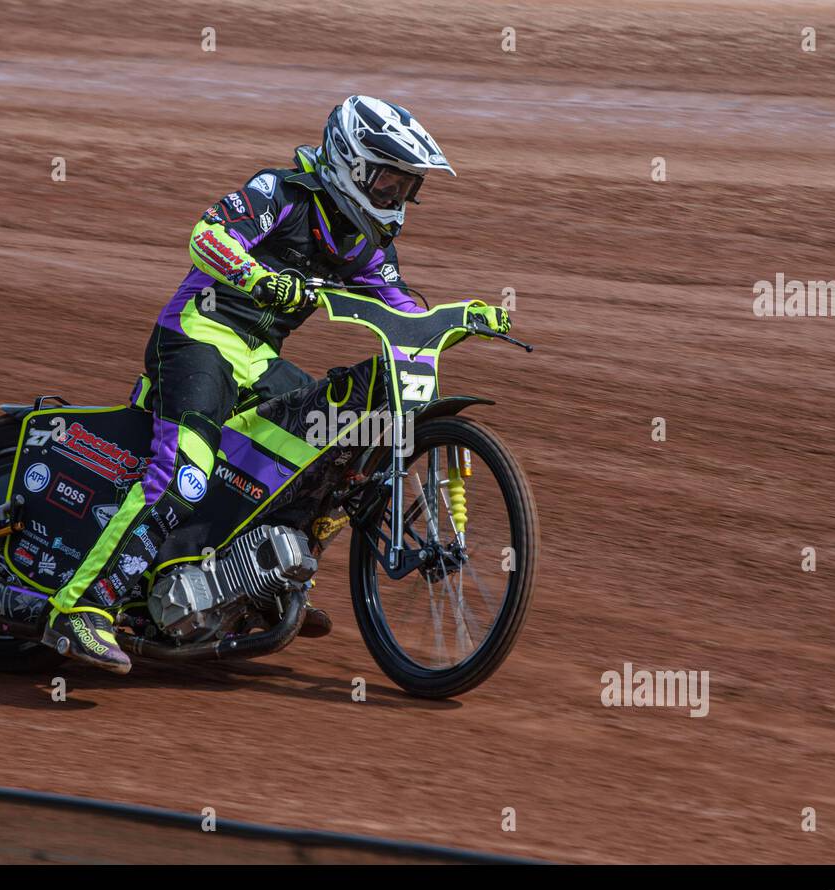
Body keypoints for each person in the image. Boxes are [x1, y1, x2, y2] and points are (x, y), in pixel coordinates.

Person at [43, 95, 510, 673]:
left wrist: (458, 319)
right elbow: (205, 237)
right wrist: (258, 277)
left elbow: (401, 314)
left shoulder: (366, 242)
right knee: (185, 474)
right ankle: (81, 607)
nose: (397, 199)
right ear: (352, 164)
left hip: (256, 361)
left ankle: (256, 583)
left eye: (407, 187)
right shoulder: (279, 192)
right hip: (198, 338)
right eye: (389, 182)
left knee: (324, 447)